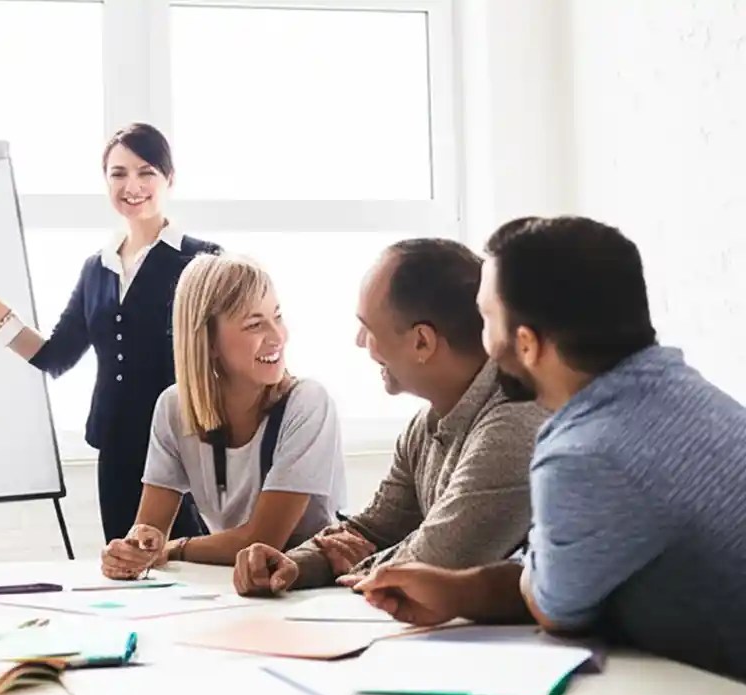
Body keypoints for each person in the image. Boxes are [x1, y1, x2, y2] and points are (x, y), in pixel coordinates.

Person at [351, 216, 746, 680]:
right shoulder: (684, 395)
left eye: (486, 319)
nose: (479, 339)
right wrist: (458, 591)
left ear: (526, 343)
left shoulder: (584, 453)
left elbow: (554, 608)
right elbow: (556, 574)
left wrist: (473, 589)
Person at [0, 123, 219, 541]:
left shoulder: (202, 260)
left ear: (169, 178)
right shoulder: (98, 267)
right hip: (114, 448)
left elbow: (227, 358)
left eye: (146, 171)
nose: (132, 185)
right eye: (118, 173)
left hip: (180, 448)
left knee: (187, 565)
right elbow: (54, 356)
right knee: (125, 569)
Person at [233, 239, 545, 596]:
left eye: (369, 328)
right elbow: (371, 530)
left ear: (422, 343)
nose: (359, 341)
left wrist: (361, 564)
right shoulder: (425, 426)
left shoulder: (512, 427)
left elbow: (434, 560)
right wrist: (292, 564)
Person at [99, 254, 345, 579]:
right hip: (237, 587)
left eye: (277, 317)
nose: (278, 337)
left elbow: (263, 541)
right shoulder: (174, 407)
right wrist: (132, 550)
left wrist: (174, 547)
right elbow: (149, 531)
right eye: (255, 324)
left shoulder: (308, 403)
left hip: (310, 584)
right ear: (208, 340)